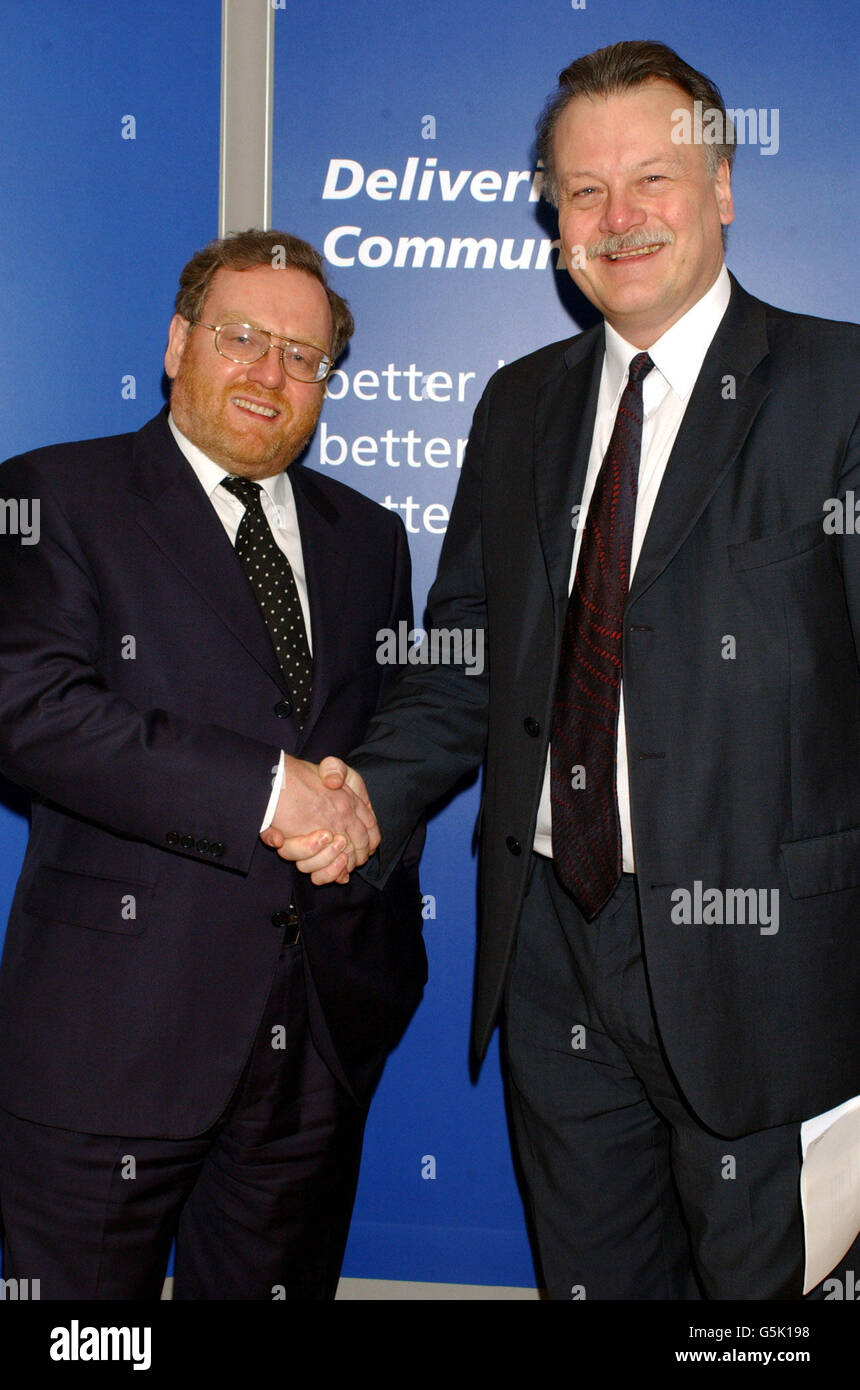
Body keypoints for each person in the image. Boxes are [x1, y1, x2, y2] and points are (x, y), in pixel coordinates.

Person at [279, 41, 860, 1299]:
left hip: (775, 972)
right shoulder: (518, 404)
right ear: (552, 219)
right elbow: (464, 661)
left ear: (721, 186)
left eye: (651, 177)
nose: (617, 217)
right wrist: (366, 793)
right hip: (554, 956)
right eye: (581, 191)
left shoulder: (842, 387)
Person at [0, 229, 426, 1300]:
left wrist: (359, 819)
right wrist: (265, 788)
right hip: (111, 1038)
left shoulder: (367, 537)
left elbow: (386, 735)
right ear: (178, 341)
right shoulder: (55, 496)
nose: (269, 373)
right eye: (241, 337)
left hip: (313, 1050)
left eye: (302, 355)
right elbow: (33, 713)